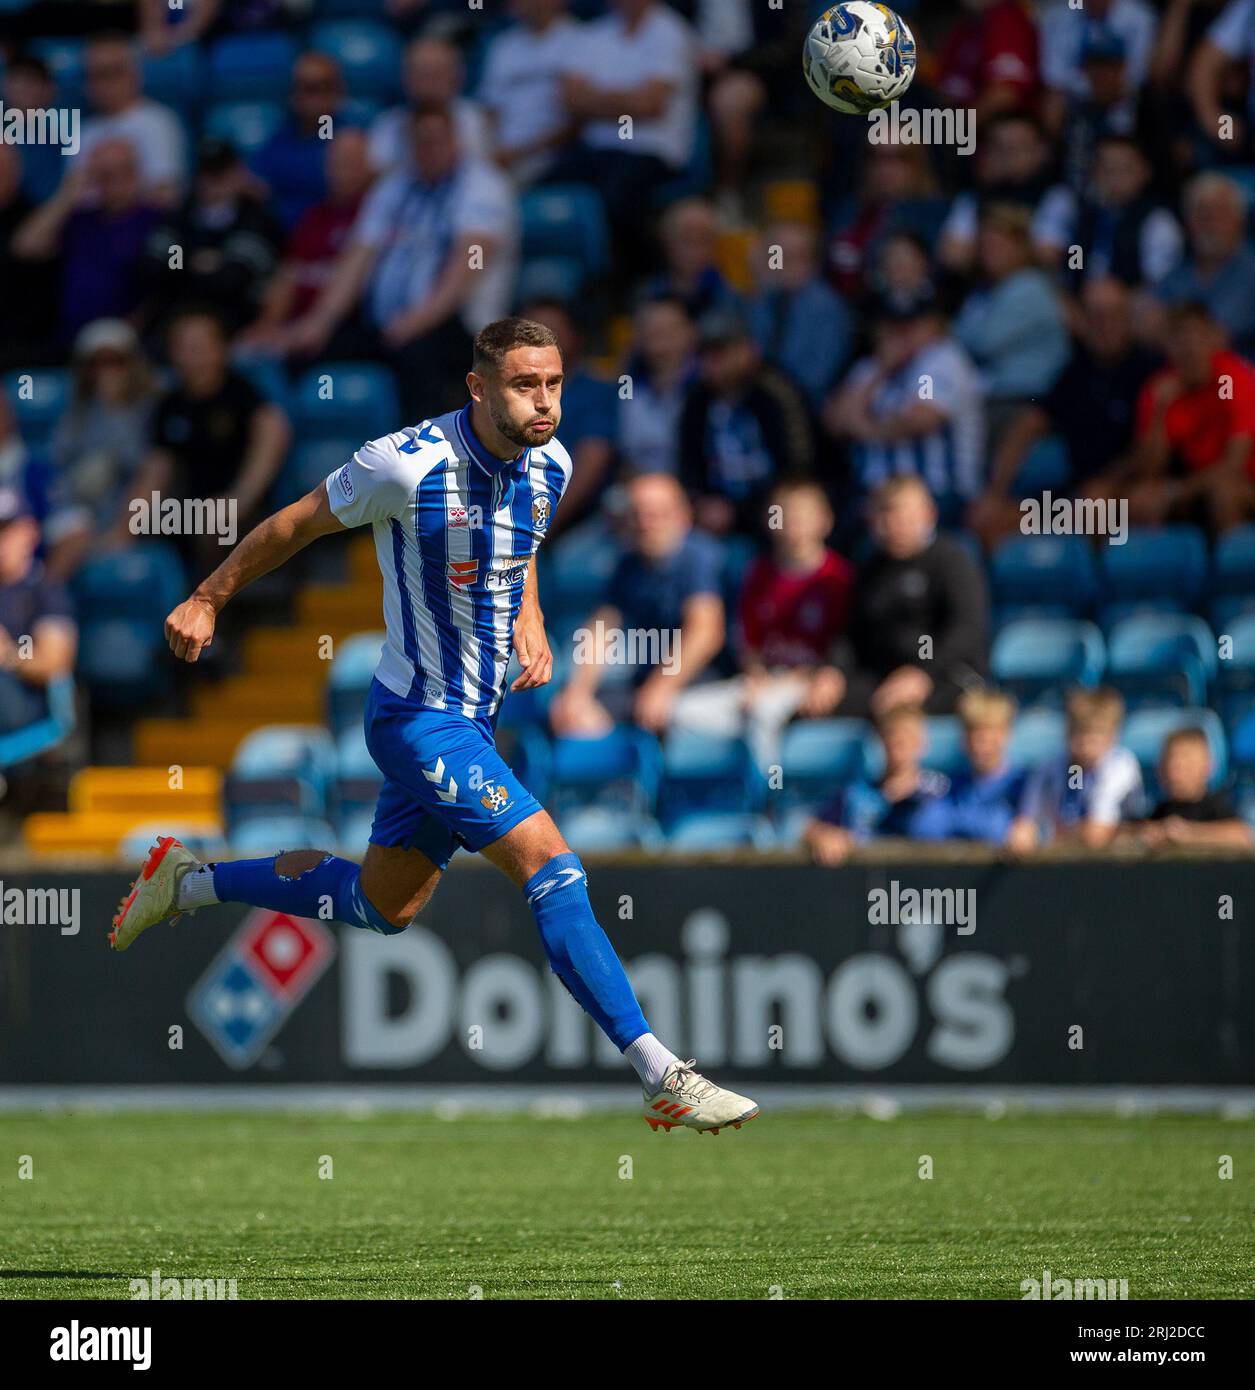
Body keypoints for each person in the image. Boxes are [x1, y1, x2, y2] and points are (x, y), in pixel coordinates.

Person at [112, 317, 759, 1137]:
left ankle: (187, 883)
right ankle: (659, 1070)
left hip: (475, 720)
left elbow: (515, 547)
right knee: (552, 866)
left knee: (381, 907)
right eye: (526, 385)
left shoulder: (550, 464)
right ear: (478, 387)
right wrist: (207, 596)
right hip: (418, 720)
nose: (545, 401)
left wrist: (528, 611)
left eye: (554, 382)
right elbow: (296, 523)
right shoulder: (403, 464)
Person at [282, 105, 517, 419]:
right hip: (386, 326)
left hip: (453, 324)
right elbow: (358, 258)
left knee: (418, 359)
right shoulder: (394, 186)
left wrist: (415, 322)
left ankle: (422, 459)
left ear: (455, 141)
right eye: (419, 143)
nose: (427, 151)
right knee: (306, 353)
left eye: (435, 141)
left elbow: (465, 268)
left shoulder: (483, 186)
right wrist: (320, 321)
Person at [668, 479, 853, 768]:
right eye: (785, 517)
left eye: (803, 518)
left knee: (763, 713)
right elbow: (747, 640)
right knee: (681, 711)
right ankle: (708, 795)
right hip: (761, 681)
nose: (794, 526)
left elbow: (845, 645)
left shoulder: (838, 578)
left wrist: (805, 678)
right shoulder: (758, 573)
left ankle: (766, 797)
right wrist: (755, 676)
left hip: (806, 683)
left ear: (825, 521)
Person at [968, 275, 1160, 551]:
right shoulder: (1074, 373)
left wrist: (1108, 483)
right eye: (1096, 316)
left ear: (1127, 318)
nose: (1104, 325)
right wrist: (996, 492)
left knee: (1097, 505)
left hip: (1129, 491)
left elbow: (1150, 448)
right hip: (1074, 498)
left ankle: (1097, 588)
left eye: (1112, 315)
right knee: (988, 519)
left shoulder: (1151, 371)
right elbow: (1030, 423)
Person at [549, 471, 727, 737]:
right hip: (645, 686)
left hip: (706, 685)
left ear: (683, 515)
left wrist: (662, 687)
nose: (647, 523)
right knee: (569, 714)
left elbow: (706, 632)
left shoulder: (700, 557)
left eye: (658, 513)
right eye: (639, 513)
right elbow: (601, 629)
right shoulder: (629, 563)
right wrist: (577, 693)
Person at [139, 308, 291, 566]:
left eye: (199, 348)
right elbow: (157, 468)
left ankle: (209, 605)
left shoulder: (243, 394)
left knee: (214, 525)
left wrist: (239, 498)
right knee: (141, 524)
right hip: (188, 509)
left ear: (221, 349)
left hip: (246, 508)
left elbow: (273, 433)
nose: (190, 358)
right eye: (182, 348)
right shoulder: (170, 405)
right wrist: (131, 523)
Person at [831, 476, 989, 718]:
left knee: (899, 713)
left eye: (905, 516)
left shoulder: (952, 560)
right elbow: (853, 634)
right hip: (884, 677)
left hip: (946, 677)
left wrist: (922, 674)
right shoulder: (870, 567)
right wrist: (833, 671)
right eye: (887, 515)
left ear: (929, 514)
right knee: (819, 705)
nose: (896, 525)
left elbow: (966, 629)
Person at [824, 290, 986, 526]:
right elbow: (835, 423)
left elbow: (920, 419)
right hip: (872, 493)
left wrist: (863, 429)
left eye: (913, 324)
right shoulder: (872, 366)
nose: (904, 333)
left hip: (937, 492)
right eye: (896, 325)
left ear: (934, 325)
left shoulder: (942, 360)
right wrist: (881, 370)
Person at [12, 138, 161, 347]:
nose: (114, 180)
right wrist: (68, 194)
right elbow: (26, 247)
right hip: (71, 342)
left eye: (122, 171)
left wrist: (141, 321)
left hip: (128, 347)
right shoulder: (79, 219)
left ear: (136, 172)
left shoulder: (156, 219)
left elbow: (171, 279)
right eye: (104, 174)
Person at [679, 309, 815, 537]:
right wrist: (702, 503)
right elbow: (689, 463)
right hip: (714, 516)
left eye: (721, 352)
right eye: (705, 354)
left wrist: (741, 512)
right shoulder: (697, 400)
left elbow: (798, 466)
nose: (713, 362)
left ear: (749, 350)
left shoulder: (776, 392)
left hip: (773, 515)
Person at [45, 319, 161, 582]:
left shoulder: (151, 406)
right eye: (97, 362)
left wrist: (114, 409)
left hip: (136, 510)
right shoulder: (77, 411)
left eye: (116, 361)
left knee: (153, 469)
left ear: (132, 363)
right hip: (80, 506)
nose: (107, 370)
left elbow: (139, 460)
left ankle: (42, 603)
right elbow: (60, 460)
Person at [1127, 300, 1255, 534]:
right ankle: (1159, 569)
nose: (1189, 347)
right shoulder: (1160, 389)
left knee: (1224, 493)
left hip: (1244, 482)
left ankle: (1236, 568)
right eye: (1178, 338)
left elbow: (1234, 465)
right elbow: (1150, 471)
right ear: (1167, 346)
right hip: (1196, 485)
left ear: (1212, 339)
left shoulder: (1233, 378)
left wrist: (1175, 492)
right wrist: (1160, 412)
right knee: (1140, 500)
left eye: (1197, 336)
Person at [801, 703, 948, 865]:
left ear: (922, 743)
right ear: (882, 741)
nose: (900, 744)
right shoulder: (857, 793)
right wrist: (824, 836)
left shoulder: (939, 790)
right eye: (893, 736)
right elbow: (810, 827)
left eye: (908, 737)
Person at [1009, 687, 1144, 852]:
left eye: (1095, 736)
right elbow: (1024, 828)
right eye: (1079, 734)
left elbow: (1096, 834)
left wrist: (1059, 834)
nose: (1085, 745)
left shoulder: (1120, 765)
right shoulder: (1060, 767)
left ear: (1112, 735)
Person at [476, 0, 584, 186]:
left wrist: (520, 153)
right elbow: (491, 110)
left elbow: (578, 121)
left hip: (553, 157)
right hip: (503, 156)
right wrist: (493, 150)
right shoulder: (504, 45)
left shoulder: (581, 40)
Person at [0, 489, 77, 741]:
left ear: (30, 532)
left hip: (22, 704)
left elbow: (55, 665)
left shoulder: (45, 591)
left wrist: (8, 655)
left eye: (7, 529)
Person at [75, 34, 186, 207]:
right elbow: (79, 200)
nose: (104, 84)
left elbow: (165, 196)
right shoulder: (84, 131)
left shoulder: (158, 121)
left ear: (135, 74)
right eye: (95, 75)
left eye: (113, 72)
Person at [911, 688, 1028, 845]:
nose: (980, 746)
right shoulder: (949, 787)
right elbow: (925, 827)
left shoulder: (1023, 787)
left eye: (989, 738)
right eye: (973, 736)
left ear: (1006, 734)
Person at [1119, 726, 1253, 849]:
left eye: (1185, 766)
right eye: (1169, 765)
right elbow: (1121, 834)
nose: (1175, 774)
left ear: (1207, 767)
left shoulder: (1216, 806)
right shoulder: (1162, 811)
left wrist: (1189, 834)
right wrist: (1147, 832)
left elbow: (1242, 836)